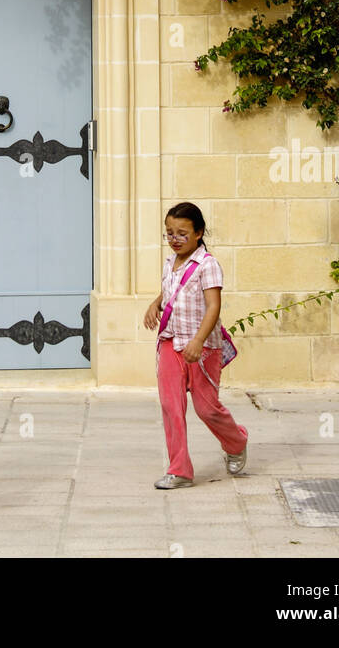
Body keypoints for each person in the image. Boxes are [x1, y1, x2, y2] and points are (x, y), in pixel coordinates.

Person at [143, 202, 248, 489]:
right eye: (169, 233)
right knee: (170, 405)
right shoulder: (169, 263)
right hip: (170, 343)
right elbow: (170, 292)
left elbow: (214, 306)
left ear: (199, 233)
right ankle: (180, 470)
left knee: (207, 409)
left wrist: (198, 341)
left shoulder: (208, 265)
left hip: (202, 349)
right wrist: (155, 304)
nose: (175, 239)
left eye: (182, 233)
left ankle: (236, 441)